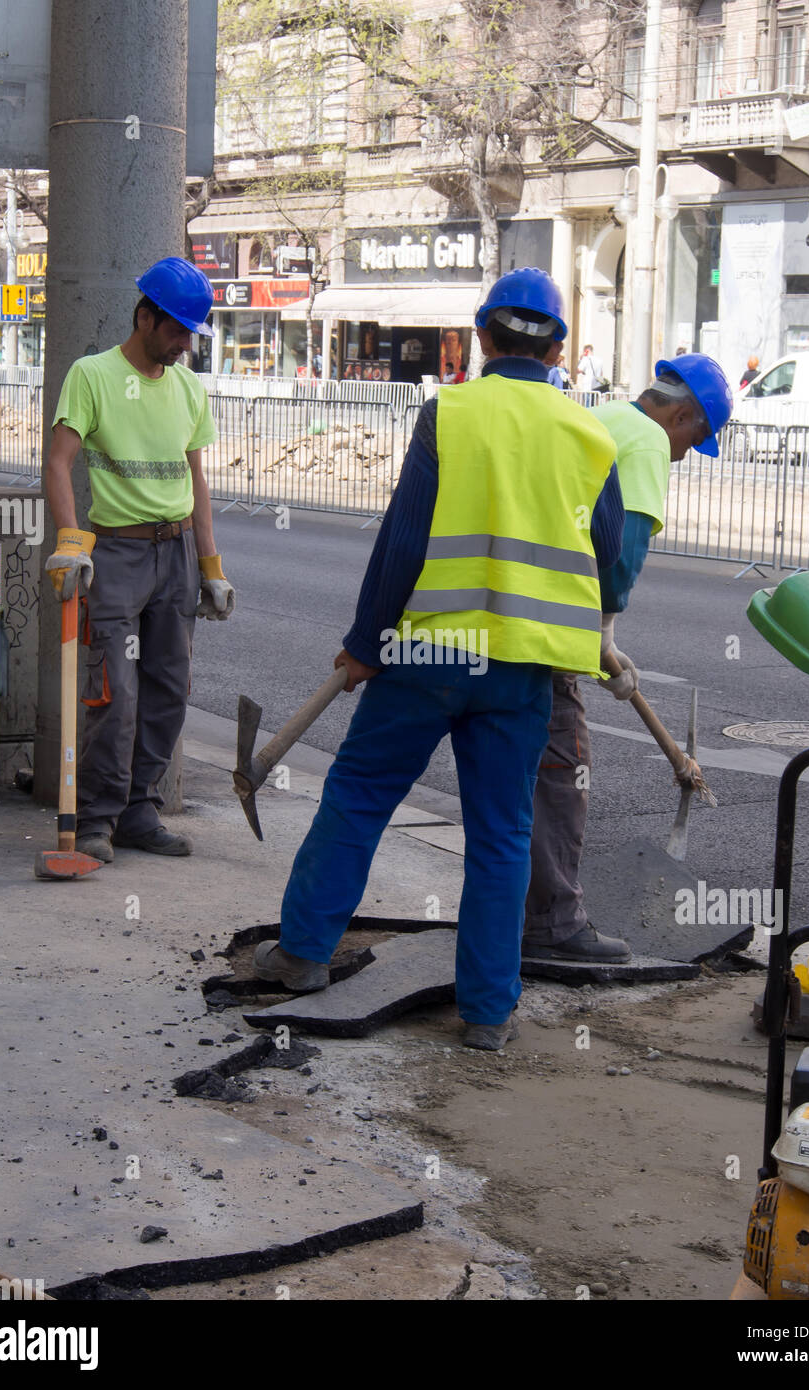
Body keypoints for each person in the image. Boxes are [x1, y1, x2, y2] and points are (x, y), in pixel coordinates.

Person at [252, 267, 622, 1051]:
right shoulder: (592, 435)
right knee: (501, 834)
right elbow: (610, 560)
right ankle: (488, 1014)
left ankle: (302, 955)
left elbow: (405, 539)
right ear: (558, 348)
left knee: (357, 797)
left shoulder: (448, 412)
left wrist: (364, 641)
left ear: (482, 337)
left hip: (426, 649)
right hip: (522, 669)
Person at [523, 353, 733, 965]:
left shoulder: (607, 413)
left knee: (516, 774)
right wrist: (604, 633)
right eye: (698, 437)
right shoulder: (644, 442)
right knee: (563, 772)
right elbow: (620, 554)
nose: (690, 452)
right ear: (684, 413)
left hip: (519, 612)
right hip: (553, 633)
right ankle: (553, 928)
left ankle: (512, 912)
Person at [44, 257, 235, 863]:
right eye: (176, 330)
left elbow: (197, 481)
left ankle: (138, 810)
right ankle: (96, 817)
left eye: (190, 333)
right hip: (119, 554)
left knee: (168, 687)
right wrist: (72, 543)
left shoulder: (187, 389)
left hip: (175, 552)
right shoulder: (92, 375)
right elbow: (57, 463)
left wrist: (211, 567)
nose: (184, 345)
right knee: (113, 691)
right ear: (143, 316)